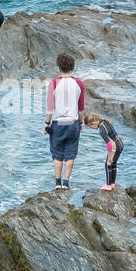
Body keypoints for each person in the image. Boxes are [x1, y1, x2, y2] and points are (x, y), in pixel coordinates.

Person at [45, 52, 85, 189]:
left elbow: (50, 108)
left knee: (57, 154)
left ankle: (57, 182)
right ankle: (66, 182)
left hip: (57, 123)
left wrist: (47, 123)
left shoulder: (54, 83)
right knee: (70, 154)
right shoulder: (79, 83)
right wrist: (81, 123)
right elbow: (81, 108)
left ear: (58, 67)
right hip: (73, 123)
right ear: (72, 67)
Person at [84, 111, 124, 190]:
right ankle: (113, 183)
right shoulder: (105, 122)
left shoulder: (101, 130)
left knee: (108, 164)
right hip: (120, 144)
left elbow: (109, 144)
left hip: (114, 146)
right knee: (114, 164)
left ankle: (108, 185)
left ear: (93, 123)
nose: (92, 128)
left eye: (90, 127)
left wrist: (110, 156)